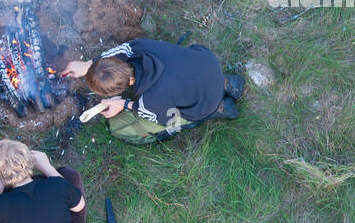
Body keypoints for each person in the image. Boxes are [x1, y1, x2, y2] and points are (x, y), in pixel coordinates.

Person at [61, 39, 243, 144]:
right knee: (185, 74)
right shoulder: (137, 47)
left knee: (119, 128)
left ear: (118, 91)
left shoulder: (150, 101)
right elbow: (119, 51)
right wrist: (87, 65)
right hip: (206, 62)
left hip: (204, 104)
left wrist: (123, 104)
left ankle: (218, 108)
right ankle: (227, 82)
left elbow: (163, 119)